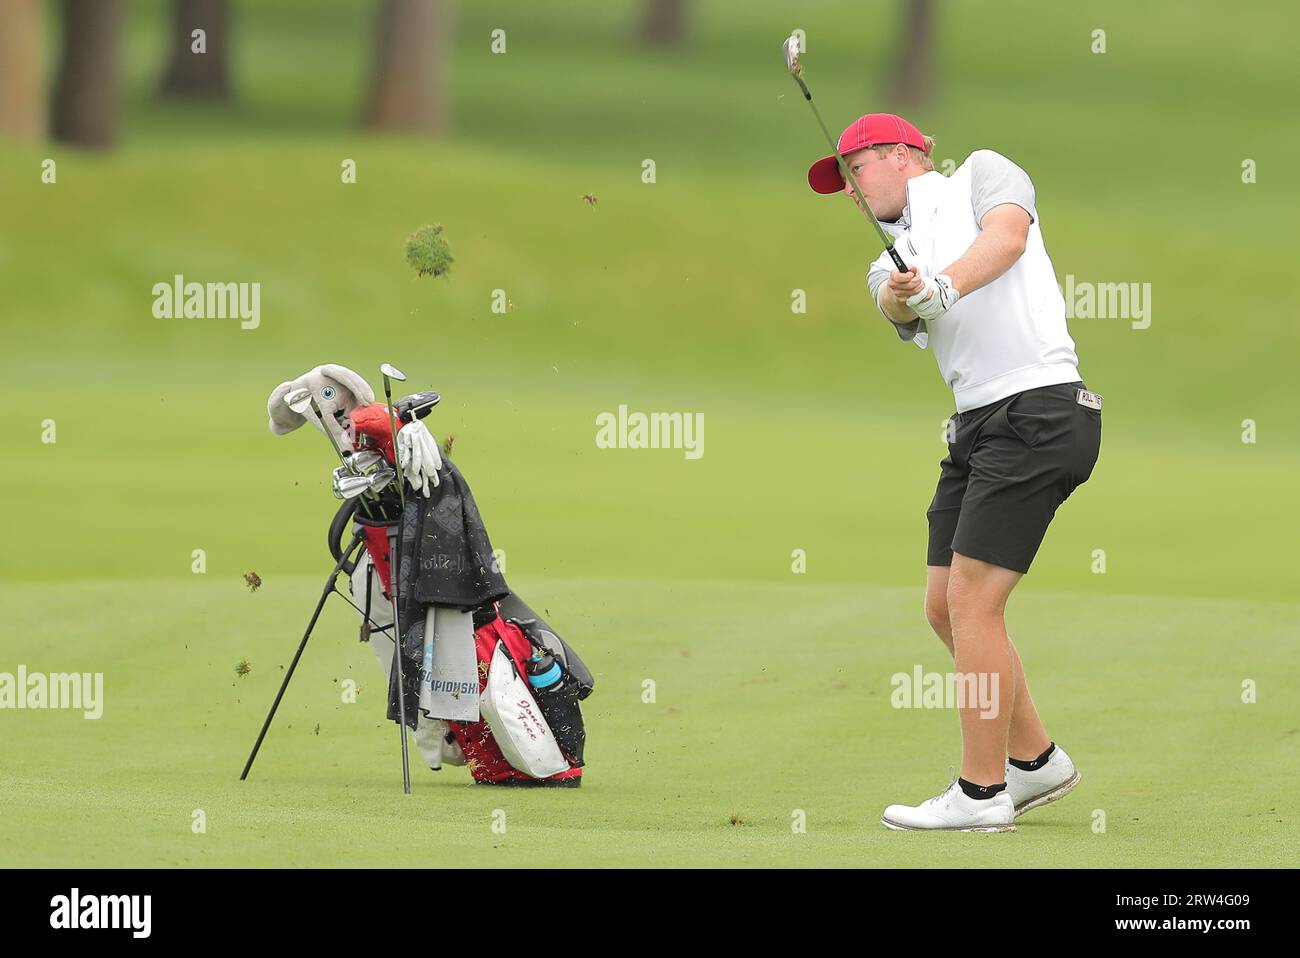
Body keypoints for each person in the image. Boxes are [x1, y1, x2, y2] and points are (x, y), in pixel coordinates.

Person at [806, 114, 1102, 832]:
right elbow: (892, 300)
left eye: (854, 170)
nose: (849, 189)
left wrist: (945, 282)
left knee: (973, 601)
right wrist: (912, 289)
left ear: (901, 154)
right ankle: (1037, 763)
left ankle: (980, 795)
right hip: (976, 425)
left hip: (1039, 407)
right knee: (944, 604)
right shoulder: (889, 256)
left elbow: (1006, 237)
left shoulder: (982, 173)